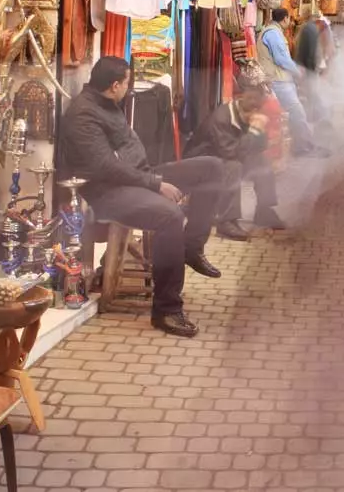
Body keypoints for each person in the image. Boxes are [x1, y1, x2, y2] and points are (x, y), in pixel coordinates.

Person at [58, 57, 231, 338]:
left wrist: (152, 180)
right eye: (127, 83)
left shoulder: (106, 103)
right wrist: (156, 184)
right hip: (110, 192)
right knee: (170, 216)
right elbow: (105, 168)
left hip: (138, 177)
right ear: (115, 86)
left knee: (212, 167)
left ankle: (191, 247)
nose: (129, 88)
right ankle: (166, 310)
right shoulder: (83, 115)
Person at [185, 74, 286, 233]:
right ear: (240, 97)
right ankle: (225, 220)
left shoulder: (249, 113)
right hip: (200, 163)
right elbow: (230, 153)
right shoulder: (222, 117)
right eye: (251, 97)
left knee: (261, 162)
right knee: (234, 167)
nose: (255, 102)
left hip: (222, 158)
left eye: (258, 99)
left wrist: (258, 131)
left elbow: (259, 148)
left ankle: (263, 210)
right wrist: (253, 131)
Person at [257, 7, 324, 156]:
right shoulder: (273, 34)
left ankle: (298, 146)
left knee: (290, 115)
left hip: (278, 80)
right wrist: (297, 70)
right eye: (289, 19)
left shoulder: (271, 31)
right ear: (285, 18)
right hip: (279, 81)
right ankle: (305, 147)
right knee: (297, 112)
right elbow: (281, 59)